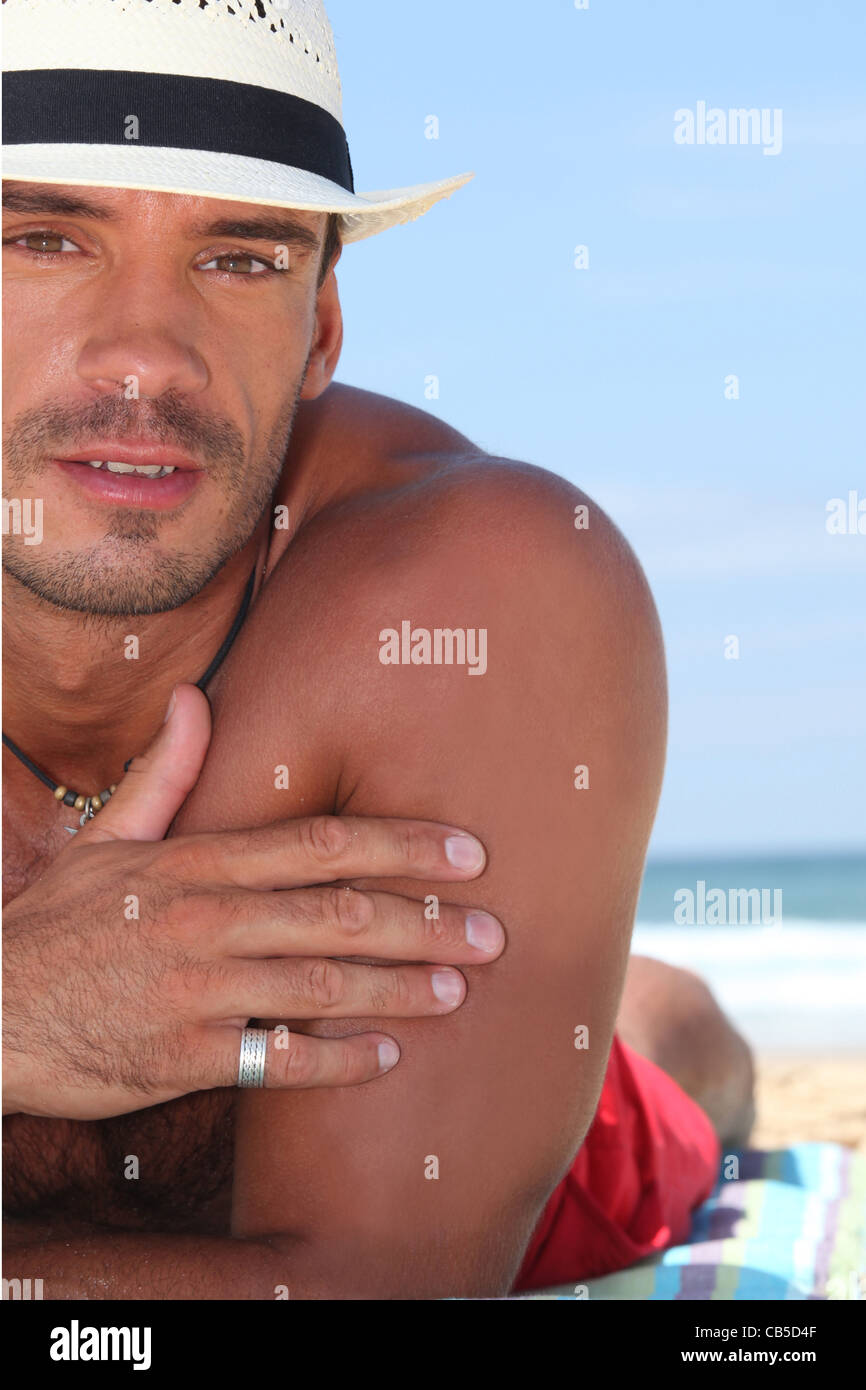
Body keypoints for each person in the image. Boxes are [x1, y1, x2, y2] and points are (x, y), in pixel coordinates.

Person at [2, 0, 753, 1298]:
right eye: (43, 236)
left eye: (238, 256)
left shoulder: (469, 591)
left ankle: (653, 1015)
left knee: (659, 1051)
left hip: (510, 1139)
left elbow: (374, 1287)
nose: (143, 357)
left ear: (322, 331)